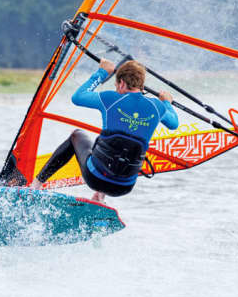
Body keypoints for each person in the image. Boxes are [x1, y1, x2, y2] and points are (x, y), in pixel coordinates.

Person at [30, 58, 180, 203]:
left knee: (78, 135)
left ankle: (35, 186)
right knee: (116, 144)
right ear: (141, 86)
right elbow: (173, 123)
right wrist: (167, 102)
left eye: (116, 86)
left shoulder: (111, 98)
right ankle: (99, 197)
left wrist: (102, 73)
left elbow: (78, 97)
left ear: (121, 83)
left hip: (94, 178)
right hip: (124, 187)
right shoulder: (157, 107)